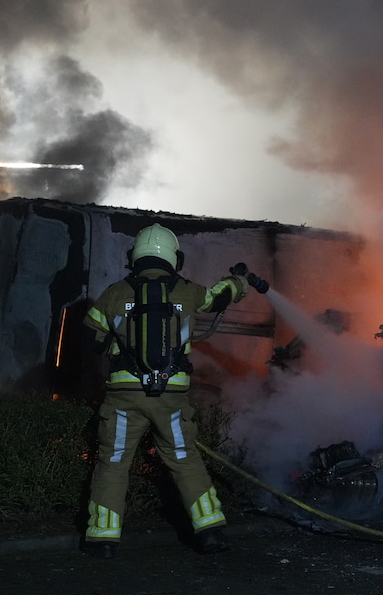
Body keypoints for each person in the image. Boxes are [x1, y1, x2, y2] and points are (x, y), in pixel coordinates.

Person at [79, 223, 268, 560]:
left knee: (114, 462)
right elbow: (216, 297)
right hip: (171, 397)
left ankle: (103, 540)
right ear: (174, 258)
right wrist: (240, 282)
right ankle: (210, 532)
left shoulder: (115, 292)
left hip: (124, 398)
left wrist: (117, 350)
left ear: (133, 256)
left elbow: (88, 334)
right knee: (184, 460)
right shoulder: (187, 291)